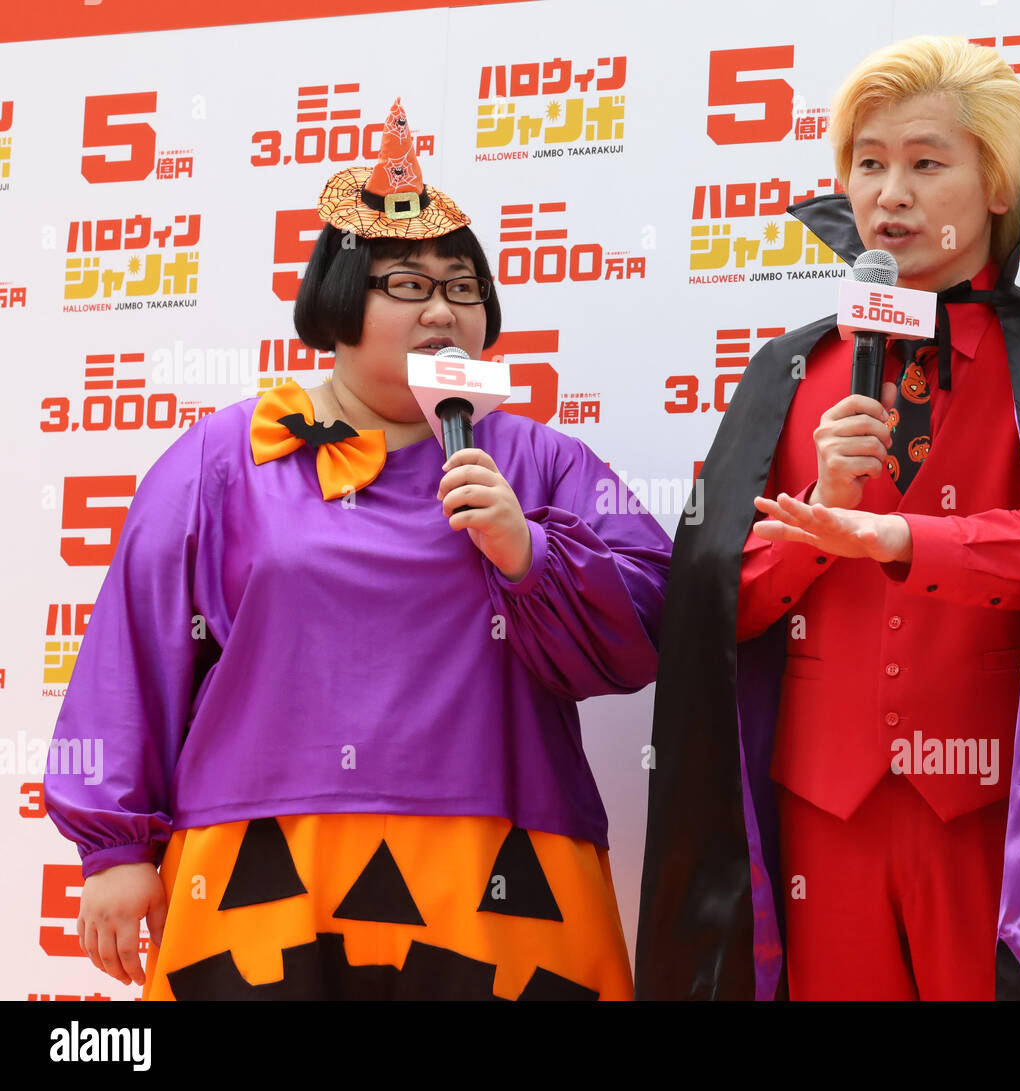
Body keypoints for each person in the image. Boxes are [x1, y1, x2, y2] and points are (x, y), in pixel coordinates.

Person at [44, 98, 672, 1001]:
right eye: (408, 286)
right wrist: (113, 847)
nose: (442, 311)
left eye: (462, 288)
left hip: (504, 865)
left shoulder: (541, 460)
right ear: (337, 302)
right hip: (264, 863)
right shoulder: (228, 456)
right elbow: (131, 648)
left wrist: (528, 552)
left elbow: (652, 611)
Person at [636, 37, 1020, 1000]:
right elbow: (708, 606)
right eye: (868, 162)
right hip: (821, 812)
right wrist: (825, 515)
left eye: (925, 161)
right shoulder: (787, 371)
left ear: (997, 189)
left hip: (1003, 817)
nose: (889, 192)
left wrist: (908, 538)